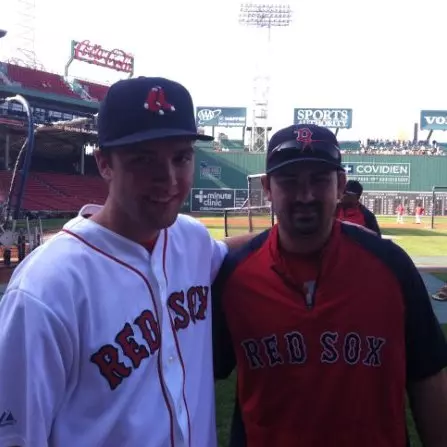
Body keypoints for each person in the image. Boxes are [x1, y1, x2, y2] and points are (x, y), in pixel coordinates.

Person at [0, 77, 253, 447]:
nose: (167, 179)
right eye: (143, 159)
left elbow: (229, 249)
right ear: (104, 163)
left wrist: (317, 232)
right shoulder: (45, 290)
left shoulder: (192, 241)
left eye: (180, 157)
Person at [212, 124, 447, 447]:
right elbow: (197, 377)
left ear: (339, 185)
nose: (305, 195)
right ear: (267, 188)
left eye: (319, 180)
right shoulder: (235, 276)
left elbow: (428, 374)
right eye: (289, 181)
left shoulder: (391, 266)